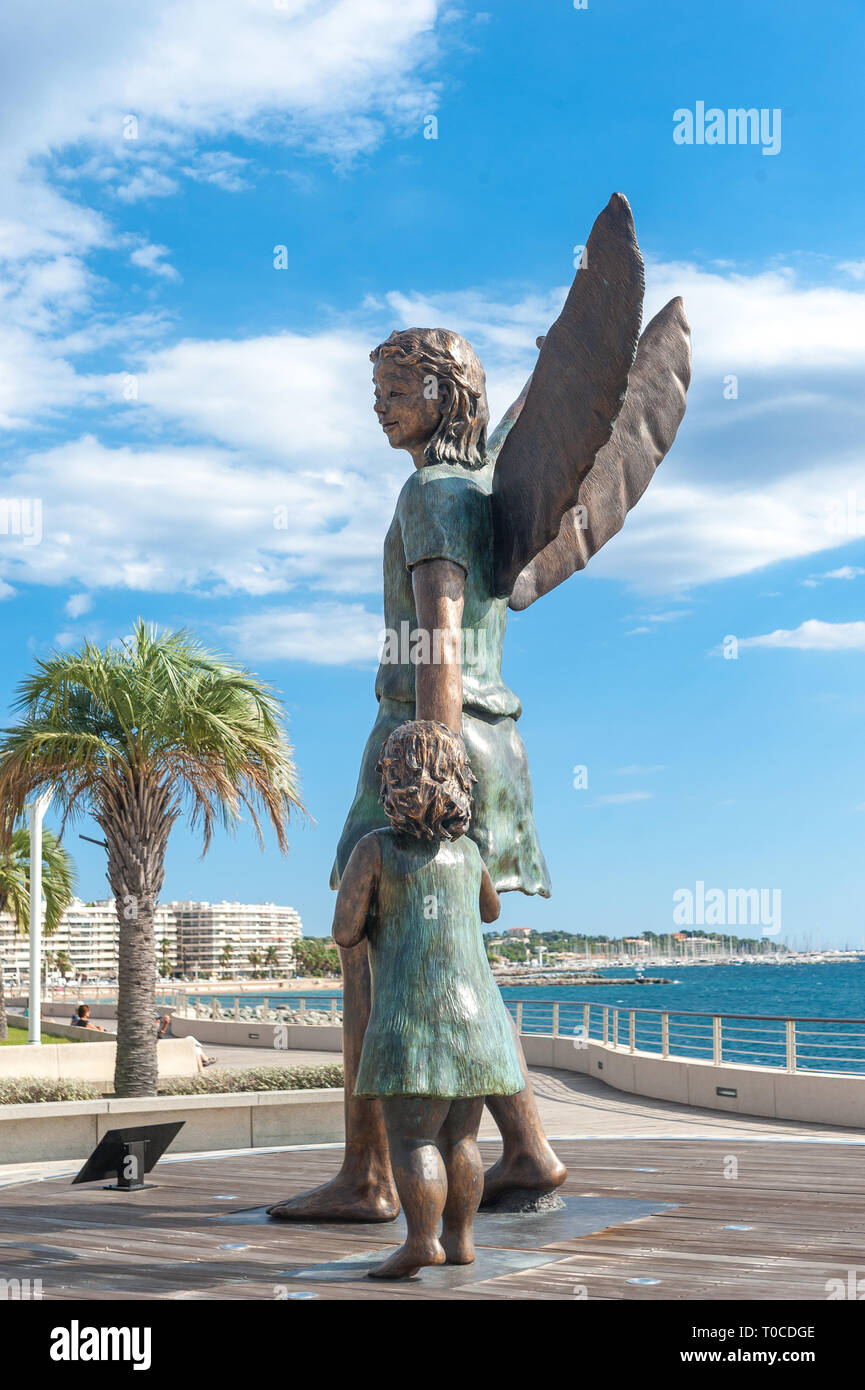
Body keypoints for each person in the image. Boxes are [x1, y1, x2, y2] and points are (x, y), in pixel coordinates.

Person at [269, 328, 564, 1223]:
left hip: (428, 730)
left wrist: (424, 771)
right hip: (483, 734)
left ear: (444, 395)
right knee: (452, 950)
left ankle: (368, 1176)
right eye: (379, 385)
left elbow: (438, 631)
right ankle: (526, 1148)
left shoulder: (432, 491)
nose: (379, 401)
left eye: (397, 385)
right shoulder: (472, 485)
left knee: (367, 943)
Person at [333, 720, 524, 1278]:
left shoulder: (375, 850)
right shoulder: (467, 853)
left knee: (414, 1135)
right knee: (462, 1135)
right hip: (479, 1017)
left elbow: (345, 932)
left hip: (412, 1018)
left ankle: (421, 1242)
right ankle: (460, 1239)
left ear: (392, 780)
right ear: (459, 780)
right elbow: (491, 911)